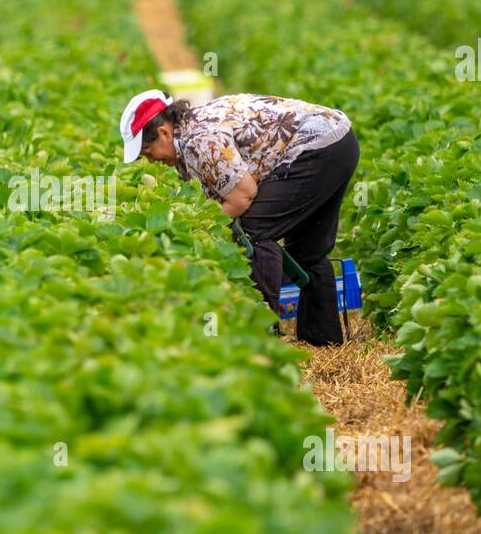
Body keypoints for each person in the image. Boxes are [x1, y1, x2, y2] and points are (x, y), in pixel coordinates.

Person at [119, 90, 359, 346]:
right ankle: (324, 343)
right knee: (306, 250)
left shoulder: (199, 139)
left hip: (319, 147)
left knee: (252, 230)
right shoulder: (190, 129)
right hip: (338, 141)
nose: (150, 160)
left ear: (165, 133)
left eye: (147, 151)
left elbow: (242, 196)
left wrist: (204, 231)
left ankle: (259, 336)